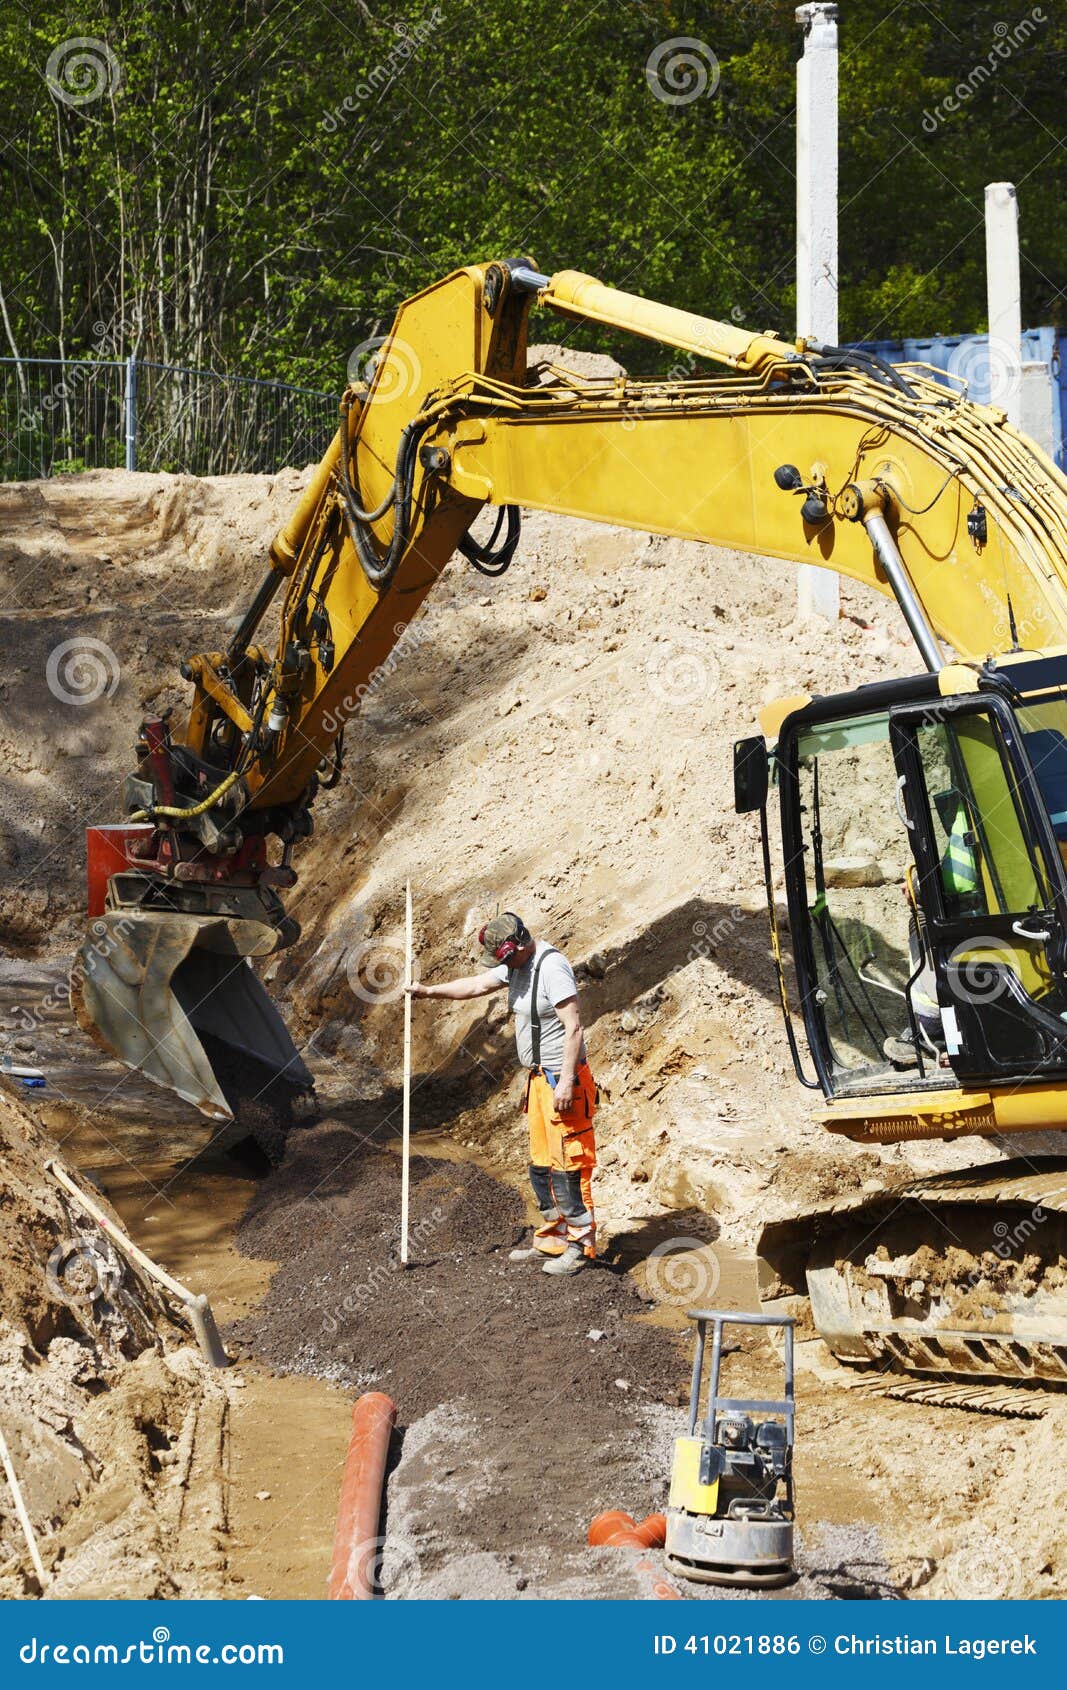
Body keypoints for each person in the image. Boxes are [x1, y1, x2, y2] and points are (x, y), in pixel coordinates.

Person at [407, 911, 598, 1277]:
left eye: (504, 958)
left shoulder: (552, 968)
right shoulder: (514, 967)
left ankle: (580, 1244)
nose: (502, 966)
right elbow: (477, 986)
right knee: (542, 1164)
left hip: (563, 1079)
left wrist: (568, 1082)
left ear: (520, 946)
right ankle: (552, 1239)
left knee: (570, 1165)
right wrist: (429, 991)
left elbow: (574, 1027)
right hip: (539, 1080)